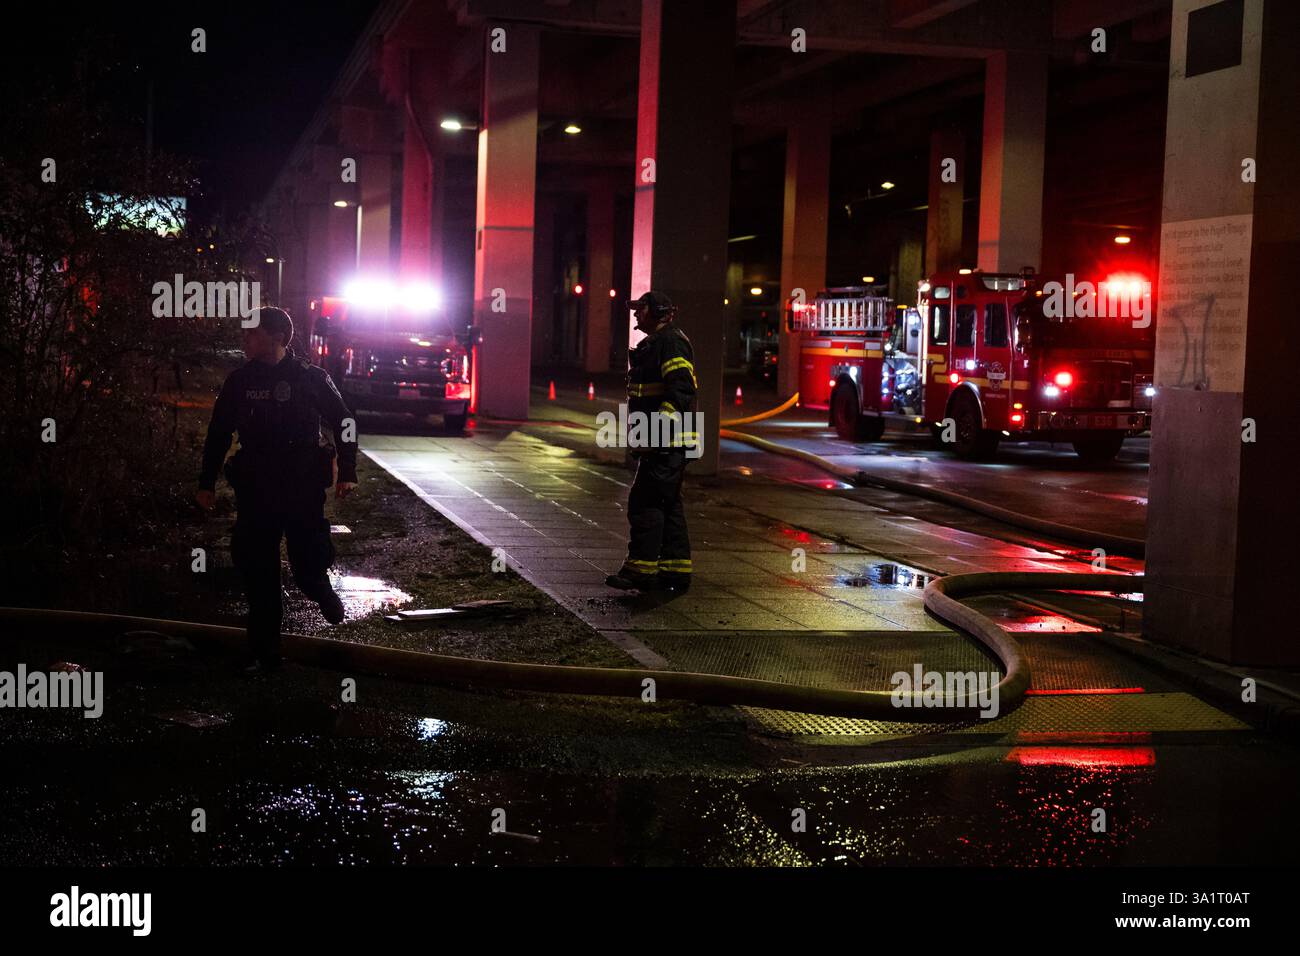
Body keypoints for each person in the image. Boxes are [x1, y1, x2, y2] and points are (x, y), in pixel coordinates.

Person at [196, 307, 358, 671]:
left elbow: (344, 420)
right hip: (257, 487)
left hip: (301, 485)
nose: (246, 339)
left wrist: (348, 470)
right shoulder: (240, 381)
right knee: (258, 570)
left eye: (253, 333)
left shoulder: (310, 378)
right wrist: (206, 483)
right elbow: (219, 433)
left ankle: (320, 590)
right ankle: (264, 653)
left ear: (277, 337)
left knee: (307, 561)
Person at [606, 290, 696, 592]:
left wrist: (658, 429)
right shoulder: (659, 343)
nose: (635, 314)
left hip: (666, 441)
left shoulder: (670, 343)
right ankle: (675, 571)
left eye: (640, 310)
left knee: (645, 502)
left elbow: (682, 388)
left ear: (656, 312)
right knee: (667, 504)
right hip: (664, 441)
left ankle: (640, 571)